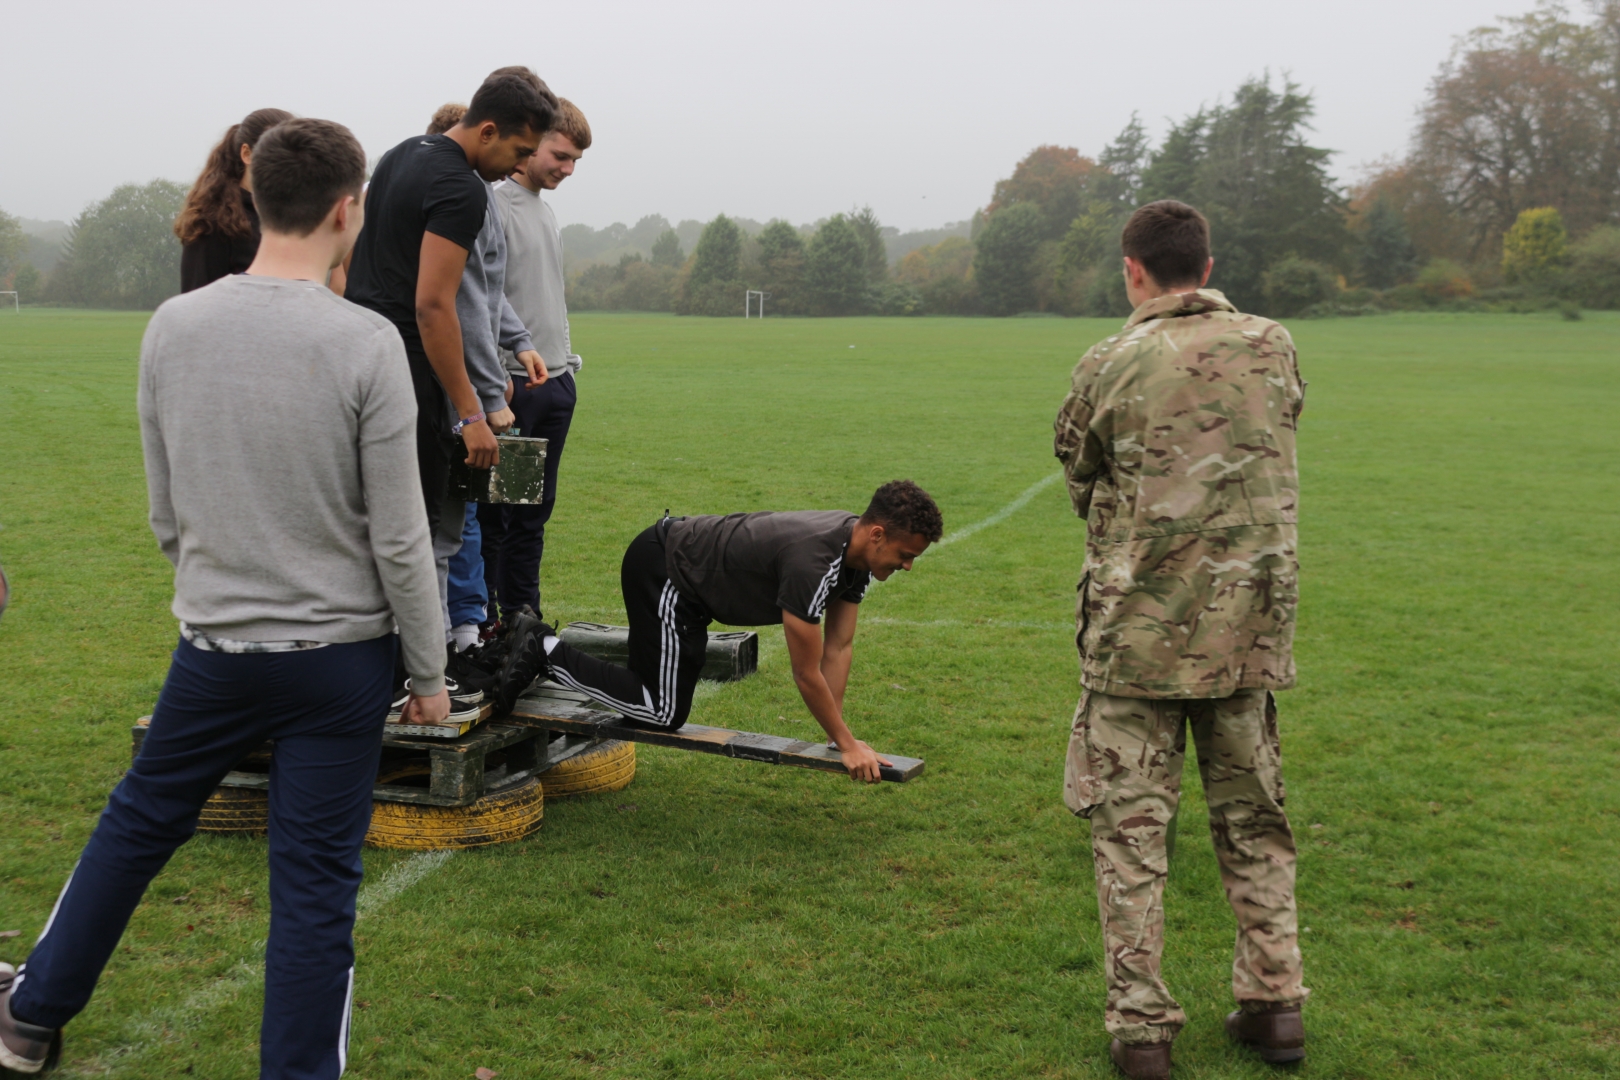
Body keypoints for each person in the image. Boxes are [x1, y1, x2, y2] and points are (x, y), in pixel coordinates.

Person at [0, 118, 448, 1079]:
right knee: (316, 886)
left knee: (136, 824)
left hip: (214, 648)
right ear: (346, 209)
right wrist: (429, 674)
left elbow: (168, 508)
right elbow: (402, 535)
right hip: (341, 665)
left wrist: (216, 591)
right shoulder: (368, 341)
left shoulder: (176, 324)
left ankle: (28, 1021)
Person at [1052, 200, 1308, 1079]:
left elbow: (1076, 469)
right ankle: (1276, 1005)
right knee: (1254, 825)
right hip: (1247, 634)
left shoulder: (1110, 361)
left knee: (1131, 838)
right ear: (1206, 263)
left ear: (1133, 269)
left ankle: (1142, 1032)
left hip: (1139, 641)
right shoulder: (1273, 346)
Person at [342, 73, 556, 664]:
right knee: (435, 535)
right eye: (517, 152)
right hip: (415, 379)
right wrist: (473, 412)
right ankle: (430, 670)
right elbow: (437, 304)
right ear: (488, 130)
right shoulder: (462, 190)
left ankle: (389, 664)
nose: (516, 166)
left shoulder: (399, 156)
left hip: (363, 363)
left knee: (381, 529)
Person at [539, 481, 943, 783]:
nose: (907, 566)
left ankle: (543, 647)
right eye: (905, 555)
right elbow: (805, 672)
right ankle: (541, 648)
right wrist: (849, 743)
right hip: (664, 568)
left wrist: (841, 738)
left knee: (664, 702)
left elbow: (838, 647)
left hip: (696, 595)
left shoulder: (853, 560)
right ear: (876, 535)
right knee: (661, 711)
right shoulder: (814, 563)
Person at [479, 97, 590, 630]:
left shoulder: (545, 211)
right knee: (501, 516)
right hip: (514, 389)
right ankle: (494, 622)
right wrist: (497, 377)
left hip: (555, 382)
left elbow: (550, 299)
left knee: (533, 515)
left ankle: (526, 618)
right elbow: (482, 297)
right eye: (560, 156)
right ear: (530, 142)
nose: (566, 170)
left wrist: (566, 368)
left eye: (575, 162)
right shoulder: (495, 206)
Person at [174, 108, 294, 292]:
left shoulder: (291, 220)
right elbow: (197, 304)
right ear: (246, 153)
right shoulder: (214, 223)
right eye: (278, 155)